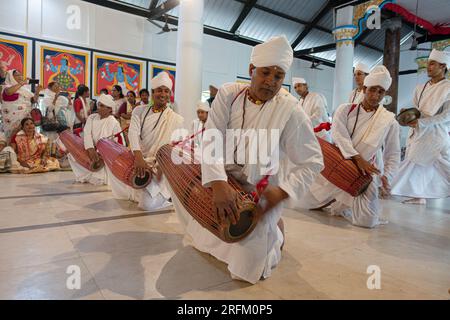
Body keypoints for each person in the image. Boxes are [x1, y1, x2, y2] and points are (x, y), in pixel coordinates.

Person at [170, 35, 324, 284]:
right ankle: (269, 229)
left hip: (259, 190)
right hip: (222, 177)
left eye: (278, 76)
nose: (271, 82)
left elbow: (313, 161)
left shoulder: (291, 110)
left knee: (246, 269)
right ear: (251, 70)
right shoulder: (229, 94)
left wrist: (282, 192)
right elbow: (212, 136)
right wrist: (219, 184)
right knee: (202, 236)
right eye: (265, 73)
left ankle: (276, 231)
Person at [292, 65, 400, 228]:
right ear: (364, 88)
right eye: (372, 90)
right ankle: (336, 201)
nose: (376, 95)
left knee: (367, 221)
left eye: (380, 91)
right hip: (339, 163)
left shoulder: (389, 120)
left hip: (365, 173)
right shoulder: (345, 110)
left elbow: (393, 152)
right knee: (302, 204)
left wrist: (387, 176)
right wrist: (357, 158)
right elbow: (338, 135)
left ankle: (344, 203)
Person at [107, 71, 183, 211]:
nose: (163, 94)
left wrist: (160, 165)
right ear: (152, 92)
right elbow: (133, 132)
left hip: (159, 166)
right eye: (159, 90)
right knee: (120, 186)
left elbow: (175, 148)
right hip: (138, 160)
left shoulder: (176, 119)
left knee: (146, 205)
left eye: (166, 91)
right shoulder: (139, 111)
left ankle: (167, 197)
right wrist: (138, 157)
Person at [391, 49, 450, 204]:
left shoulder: (448, 88)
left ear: (443, 66)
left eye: (432, 63)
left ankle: (387, 186)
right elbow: (418, 111)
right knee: (418, 165)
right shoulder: (420, 88)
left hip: (436, 136)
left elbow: (447, 116)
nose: (428, 67)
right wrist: (408, 113)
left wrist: (423, 122)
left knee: (432, 164)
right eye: (428, 63)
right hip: (417, 133)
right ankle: (419, 196)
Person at [67, 94, 121, 185]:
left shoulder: (114, 122)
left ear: (110, 109)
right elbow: (87, 134)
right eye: (99, 105)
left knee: (101, 173)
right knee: (71, 154)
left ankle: (98, 173)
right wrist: (90, 149)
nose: (99, 107)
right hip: (90, 149)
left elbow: (117, 143)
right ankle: (87, 174)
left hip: (105, 155)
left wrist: (101, 153)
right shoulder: (92, 117)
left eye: (102, 106)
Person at [1, 69, 43, 142]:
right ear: (11, 77)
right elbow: (8, 92)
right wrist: (22, 83)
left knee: (27, 141)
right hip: (12, 121)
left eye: (21, 75)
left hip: (26, 120)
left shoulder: (24, 89)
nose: (20, 77)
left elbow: (34, 100)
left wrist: (37, 91)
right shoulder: (7, 87)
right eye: (17, 75)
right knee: (14, 140)